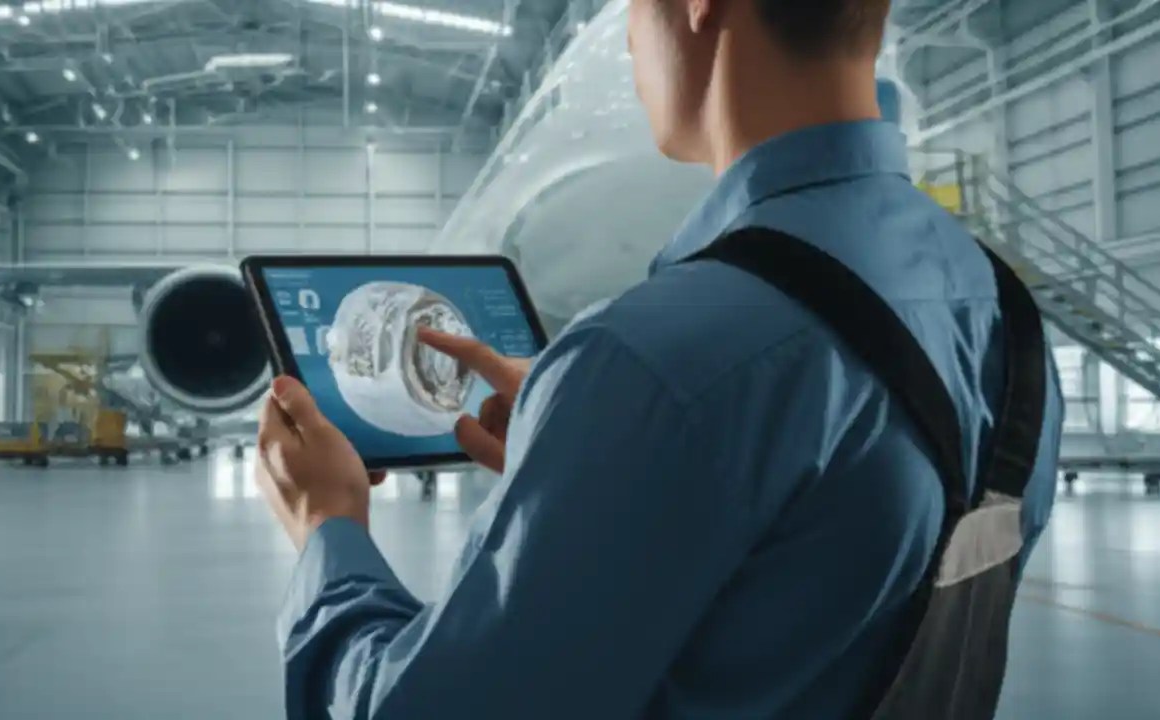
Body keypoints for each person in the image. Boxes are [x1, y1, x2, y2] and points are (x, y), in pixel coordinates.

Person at [254, 0, 1065, 717]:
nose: (632, 38)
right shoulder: (1002, 310)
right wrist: (587, 442)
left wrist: (329, 526)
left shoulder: (649, 362)